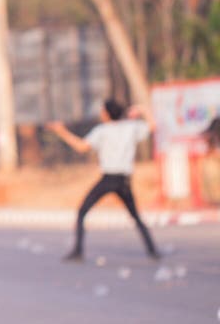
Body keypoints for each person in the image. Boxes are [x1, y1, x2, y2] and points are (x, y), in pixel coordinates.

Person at [46, 99, 161, 261]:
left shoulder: (102, 131)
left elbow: (81, 147)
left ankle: (77, 250)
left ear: (107, 114)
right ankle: (152, 250)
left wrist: (61, 131)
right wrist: (142, 109)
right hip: (124, 180)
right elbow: (153, 126)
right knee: (135, 216)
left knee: (82, 211)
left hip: (108, 178)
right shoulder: (131, 128)